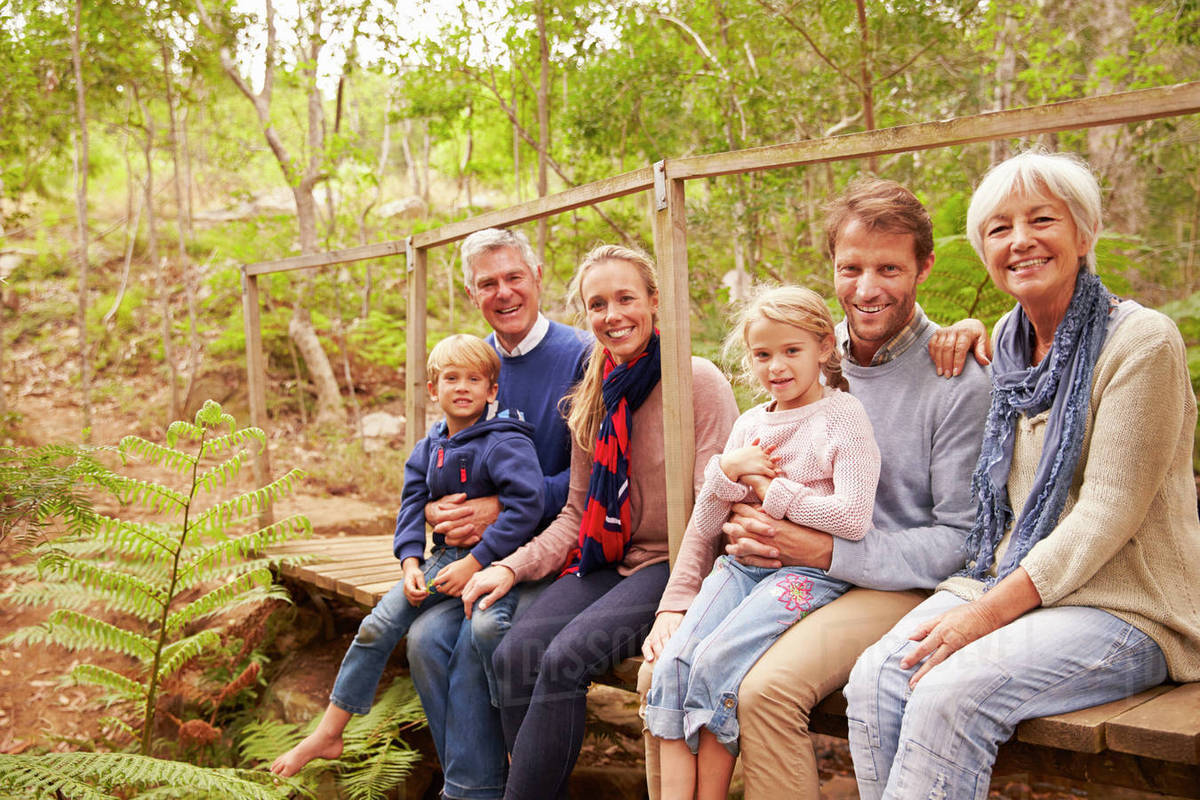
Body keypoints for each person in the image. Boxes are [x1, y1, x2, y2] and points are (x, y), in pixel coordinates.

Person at [844, 149, 1200, 799]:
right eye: (999, 228)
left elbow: (1106, 513)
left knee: (949, 692)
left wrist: (982, 616)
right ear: (985, 251)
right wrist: (966, 331)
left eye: (1042, 219)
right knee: (877, 677)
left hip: (1128, 605)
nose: (1021, 240)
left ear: (1084, 233)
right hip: (1011, 577)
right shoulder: (1005, 346)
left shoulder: (1140, 341)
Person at [637, 177, 993, 800]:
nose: (867, 288)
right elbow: (735, 483)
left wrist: (823, 550)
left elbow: (961, 540)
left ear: (925, 267)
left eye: (889, 268)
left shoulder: (956, 376)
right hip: (778, 574)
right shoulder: (799, 354)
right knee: (660, 673)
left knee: (765, 690)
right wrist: (681, 596)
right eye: (850, 268)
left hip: (897, 583)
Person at [461, 243, 739, 800]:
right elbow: (576, 512)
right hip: (611, 557)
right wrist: (511, 568)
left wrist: (677, 603)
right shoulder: (595, 390)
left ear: (654, 301)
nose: (613, 316)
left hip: (680, 561)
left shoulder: (695, 380)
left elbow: (713, 513)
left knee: (564, 659)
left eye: (625, 299)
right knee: (514, 654)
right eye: (597, 304)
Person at [645, 286, 881, 800]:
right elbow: (709, 521)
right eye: (762, 354)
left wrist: (771, 490)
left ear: (823, 346)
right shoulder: (750, 423)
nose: (776, 366)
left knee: (717, 660)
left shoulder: (843, 417)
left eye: (791, 350)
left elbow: (852, 518)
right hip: (739, 568)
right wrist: (725, 472)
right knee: (674, 664)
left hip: (805, 577)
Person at [270, 334, 543, 777]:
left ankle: (512, 740)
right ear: (432, 389)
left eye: (474, 379)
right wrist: (410, 563)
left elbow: (527, 508)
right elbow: (411, 507)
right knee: (377, 626)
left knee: (488, 636)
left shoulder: (505, 443)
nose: (462, 387)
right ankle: (330, 732)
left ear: (492, 390)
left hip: (497, 567)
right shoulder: (428, 448)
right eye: (451, 378)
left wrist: (477, 561)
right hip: (440, 564)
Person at [404, 228, 591, 800]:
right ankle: (478, 785)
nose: (504, 292)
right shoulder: (471, 362)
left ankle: (518, 780)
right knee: (424, 641)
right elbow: (438, 460)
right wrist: (433, 505)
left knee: (484, 628)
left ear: (538, 278)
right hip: (477, 554)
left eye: (515, 277)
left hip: (556, 546)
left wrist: (505, 506)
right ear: (472, 293)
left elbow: (596, 478)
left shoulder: (582, 355)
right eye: (488, 283)